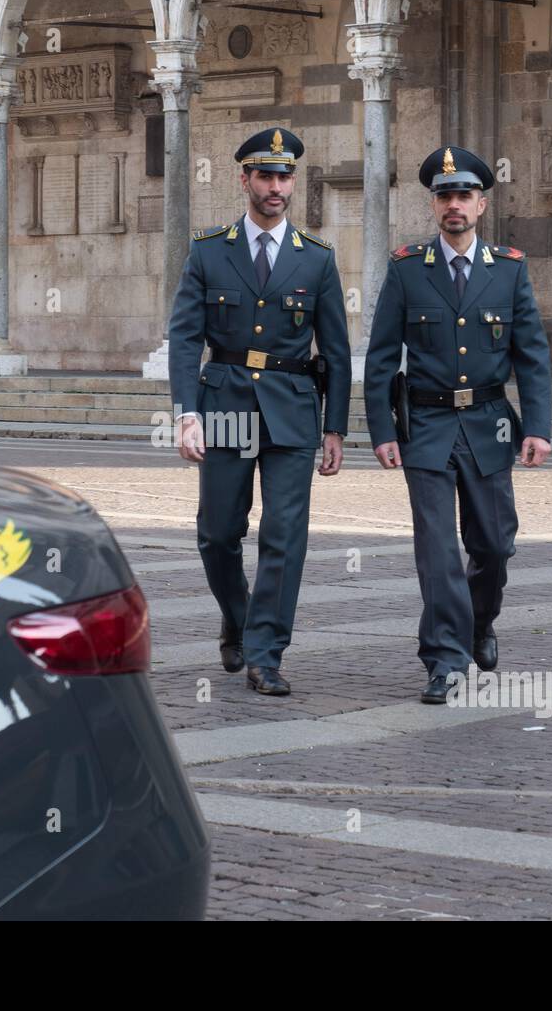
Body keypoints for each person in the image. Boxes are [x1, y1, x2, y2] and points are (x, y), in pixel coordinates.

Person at [363, 145, 552, 704]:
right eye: (445, 195)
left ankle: (478, 622)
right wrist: (382, 431)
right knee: (438, 548)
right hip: (425, 423)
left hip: (491, 423)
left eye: (464, 195)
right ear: (434, 205)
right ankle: (445, 659)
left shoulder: (511, 271)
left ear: (481, 205)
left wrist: (537, 427)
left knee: (494, 546)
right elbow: (379, 358)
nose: (454, 205)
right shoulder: (406, 270)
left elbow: (533, 357)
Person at [167, 127, 351, 696]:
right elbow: (183, 339)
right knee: (217, 533)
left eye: (284, 177)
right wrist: (185, 413)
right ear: (243, 179)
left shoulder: (316, 259)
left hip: (293, 410)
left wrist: (336, 428)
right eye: (265, 176)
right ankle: (238, 615)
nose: (276, 187)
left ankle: (266, 652)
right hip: (223, 402)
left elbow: (338, 351)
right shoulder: (208, 249)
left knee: (284, 533)